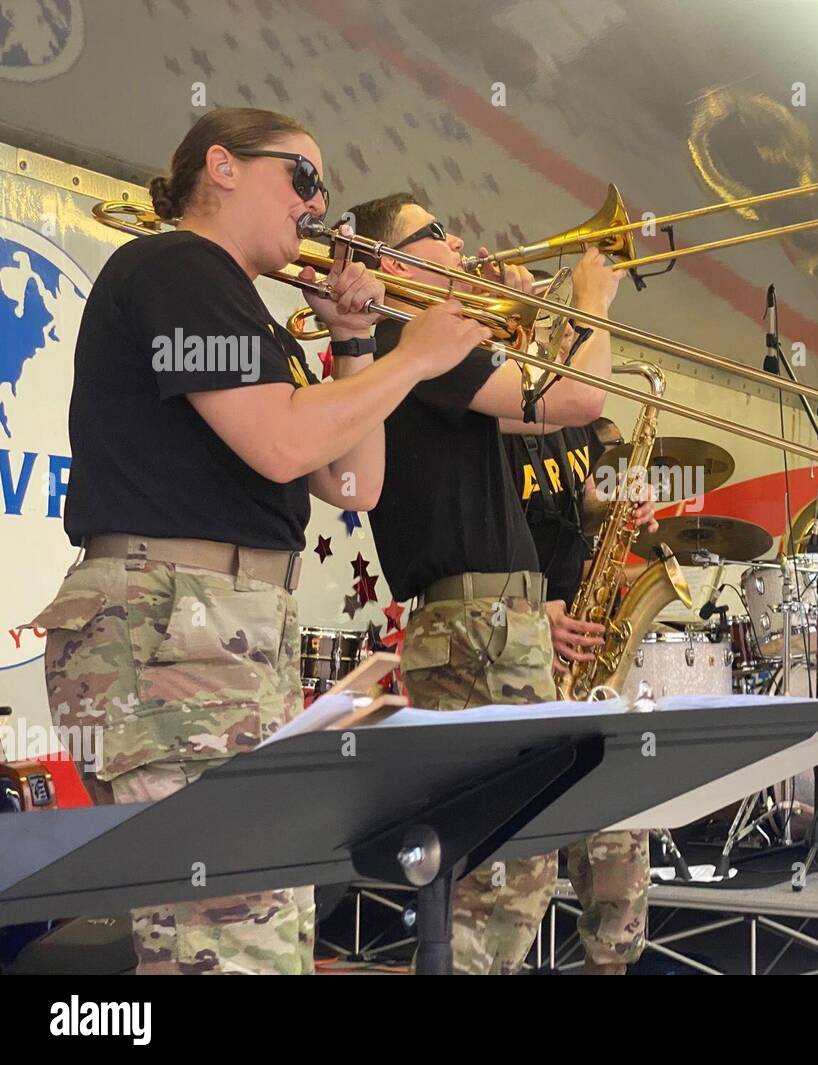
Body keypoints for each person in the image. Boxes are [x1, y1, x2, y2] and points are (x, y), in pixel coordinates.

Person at [25, 108, 487, 974]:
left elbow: (352, 484)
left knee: (246, 927)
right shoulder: (179, 266)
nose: (316, 206)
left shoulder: (245, 308)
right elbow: (278, 441)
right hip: (176, 627)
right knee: (228, 932)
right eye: (303, 178)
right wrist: (414, 359)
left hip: (218, 631)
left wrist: (356, 344)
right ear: (224, 166)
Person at [345, 191, 621, 974]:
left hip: (493, 624)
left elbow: (540, 414)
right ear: (390, 263)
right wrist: (593, 300)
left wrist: (539, 327)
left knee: (514, 865)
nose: (461, 239)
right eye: (435, 233)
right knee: (508, 873)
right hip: (478, 628)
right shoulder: (408, 337)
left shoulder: (427, 352)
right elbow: (579, 400)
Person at [503, 411, 656, 974]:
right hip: (511, 637)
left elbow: (575, 504)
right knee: (516, 860)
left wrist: (619, 508)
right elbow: (468, 529)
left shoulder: (578, 426)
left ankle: (610, 962)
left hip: (579, 641)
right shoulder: (492, 412)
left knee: (619, 825)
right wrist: (527, 613)